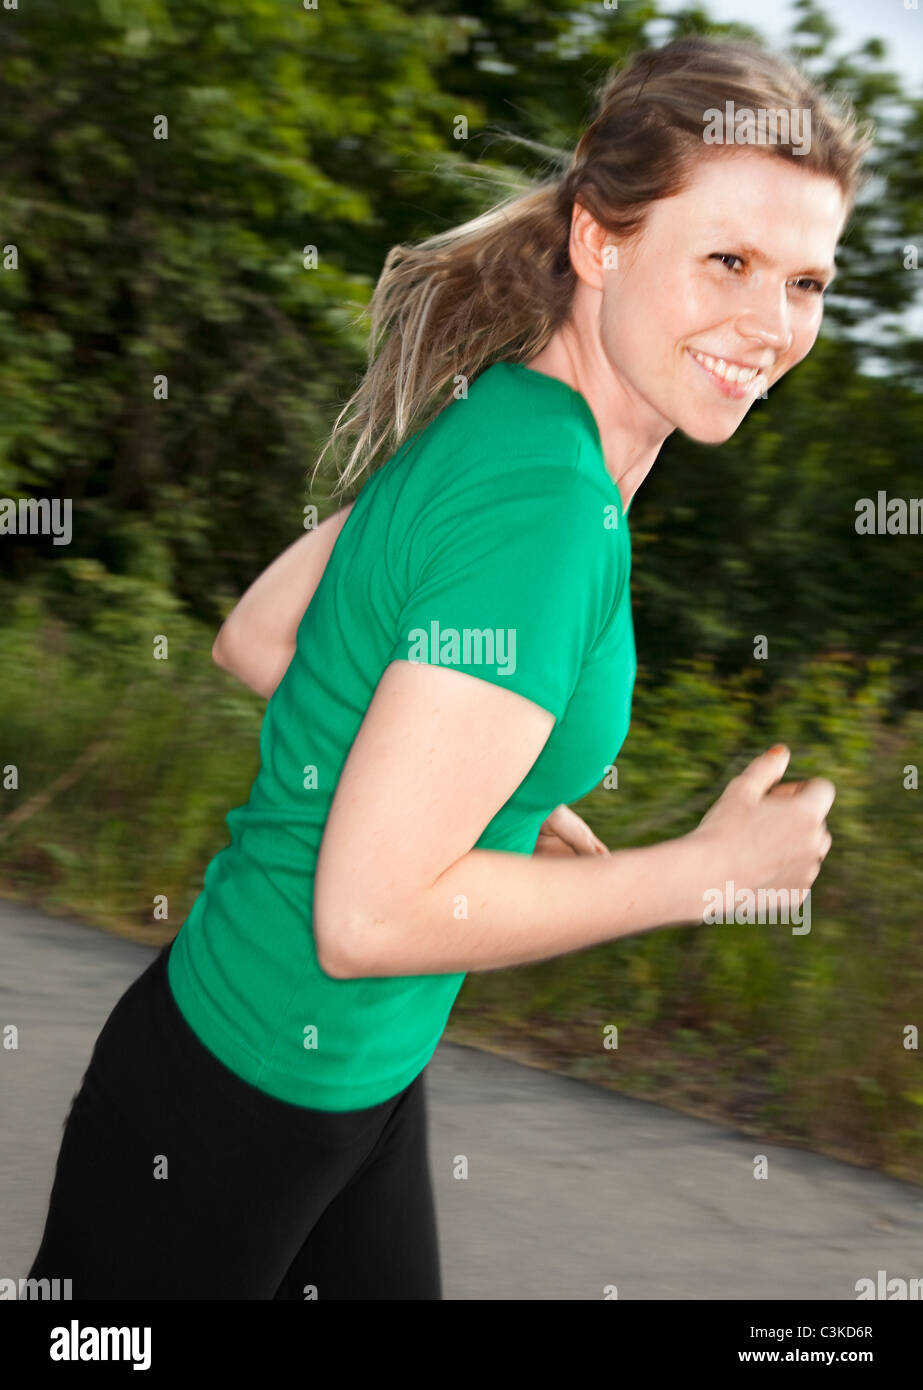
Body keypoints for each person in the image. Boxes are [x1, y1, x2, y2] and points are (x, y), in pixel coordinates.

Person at [28, 34, 871, 1300]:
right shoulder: (541, 507)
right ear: (600, 241)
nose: (769, 324)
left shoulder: (512, 419)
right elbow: (366, 918)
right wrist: (699, 876)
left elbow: (260, 633)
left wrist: (493, 791)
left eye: (804, 281)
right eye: (728, 261)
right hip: (233, 1099)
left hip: (341, 1082)